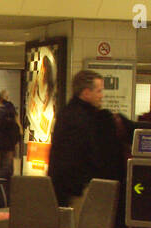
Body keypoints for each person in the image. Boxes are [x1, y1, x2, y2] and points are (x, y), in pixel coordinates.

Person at [47, 69, 123, 216]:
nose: (102, 96)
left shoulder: (68, 113)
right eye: (99, 91)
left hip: (65, 189)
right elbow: (80, 156)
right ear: (86, 92)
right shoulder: (84, 119)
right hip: (79, 191)